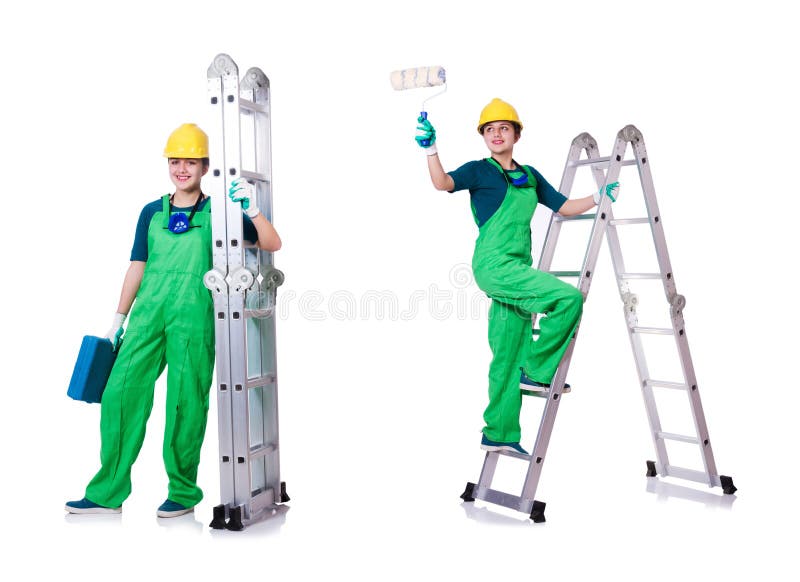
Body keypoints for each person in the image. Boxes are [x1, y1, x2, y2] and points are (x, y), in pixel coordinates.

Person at [66, 123, 281, 517]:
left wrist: (250, 209)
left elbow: (272, 242)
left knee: (186, 404)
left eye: (191, 162)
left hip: (194, 320)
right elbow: (137, 265)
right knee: (119, 395)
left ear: (205, 167)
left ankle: (182, 492)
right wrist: (118, 319)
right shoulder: (151, 211)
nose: (182, 169)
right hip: (146, 318)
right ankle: (106, 492)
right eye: (175, 161)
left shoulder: (220, 213)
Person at [417, 98, 617, 455]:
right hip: (494, 266)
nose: (496, 134)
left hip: (519, 268)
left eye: (504, 128)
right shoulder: (479, 171)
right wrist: (431, 149)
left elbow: (564, 206)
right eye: (490, 130)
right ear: (483, 136)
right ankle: (538, 371)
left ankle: (499, 433)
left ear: (516, 134)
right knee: (568, 298)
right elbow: (442, 182)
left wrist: (597, 196)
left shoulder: (531, 176)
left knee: (507, 353)